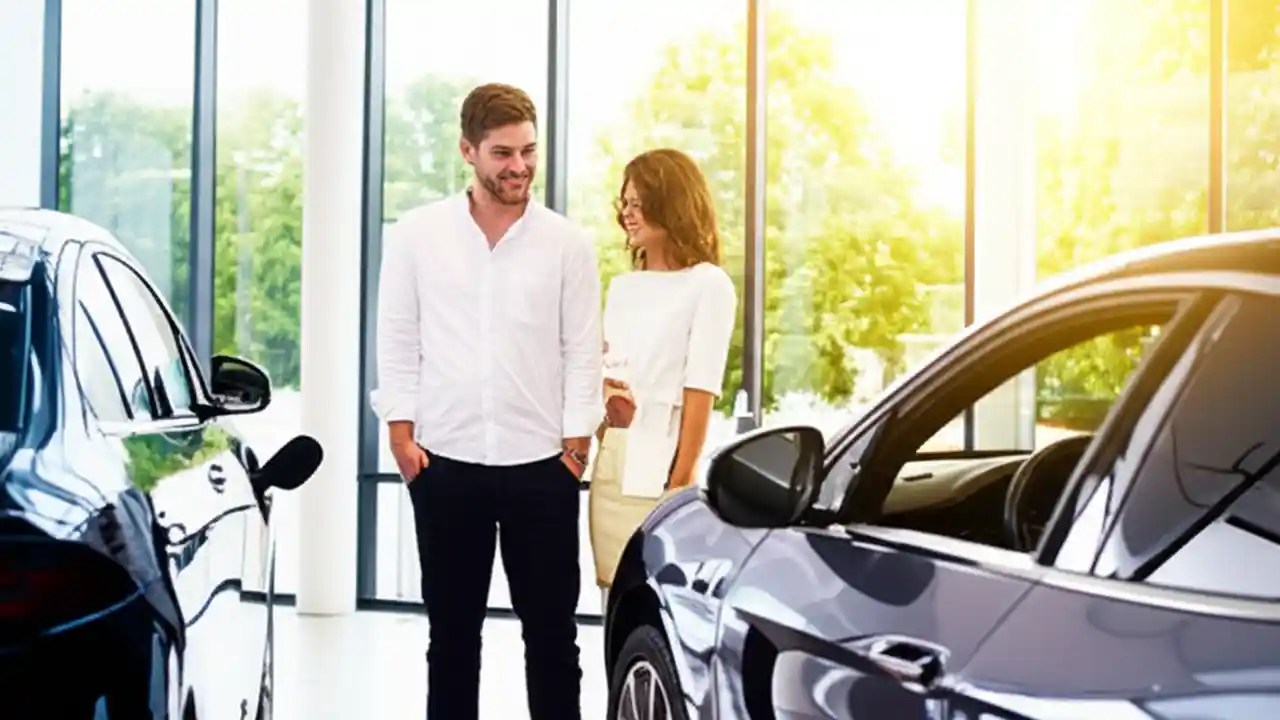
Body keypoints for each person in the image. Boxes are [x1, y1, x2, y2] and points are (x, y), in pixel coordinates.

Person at [370, 82, 602, 720]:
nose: (520, 167)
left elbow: (583, 350)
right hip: (445, 464)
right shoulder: (417, 235)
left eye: (529, 151)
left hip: (543, 469)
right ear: (467, 150)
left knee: (553, 638)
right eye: (503, 153)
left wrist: (576, 446)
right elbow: (397, 337)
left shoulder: (566, 244)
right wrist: (401, 434)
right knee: (451, 639)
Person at [589, 148, 738, 605]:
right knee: (612, 605)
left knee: (658, 606)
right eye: (625, 204)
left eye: (638, 203)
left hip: (664, 467)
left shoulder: (708, 284)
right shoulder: (622, 288)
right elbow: (609, 374)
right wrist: (604, 416)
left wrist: (681, 480)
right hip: (613, 460)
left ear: (670, 203)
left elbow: (701, 388)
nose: (627, 215)